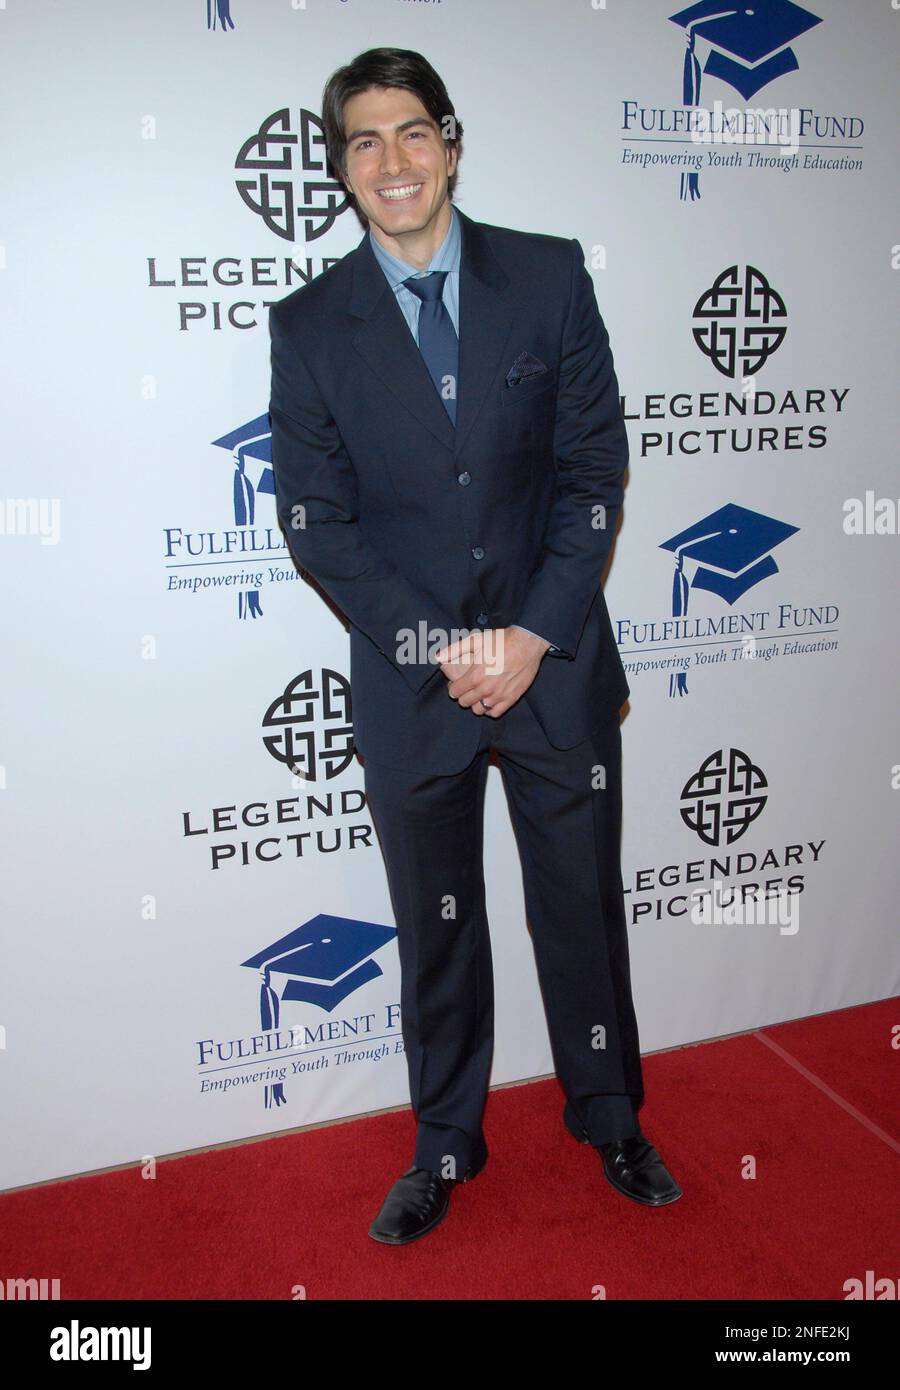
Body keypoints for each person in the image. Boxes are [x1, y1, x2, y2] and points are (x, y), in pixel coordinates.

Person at [269, 47, 682, 1245]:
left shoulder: (548, 279)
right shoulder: (308, 326)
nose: (391, 162)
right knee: (437, 921)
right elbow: (317, 524)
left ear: (450, 142)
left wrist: (534, 631)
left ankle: (610, 1113)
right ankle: (445, 1139)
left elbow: (595, 470)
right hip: (417, 685)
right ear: (342, 168)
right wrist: (446, 646)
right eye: (362, 142)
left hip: (552, 671)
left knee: (581, 905)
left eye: (411, 133)